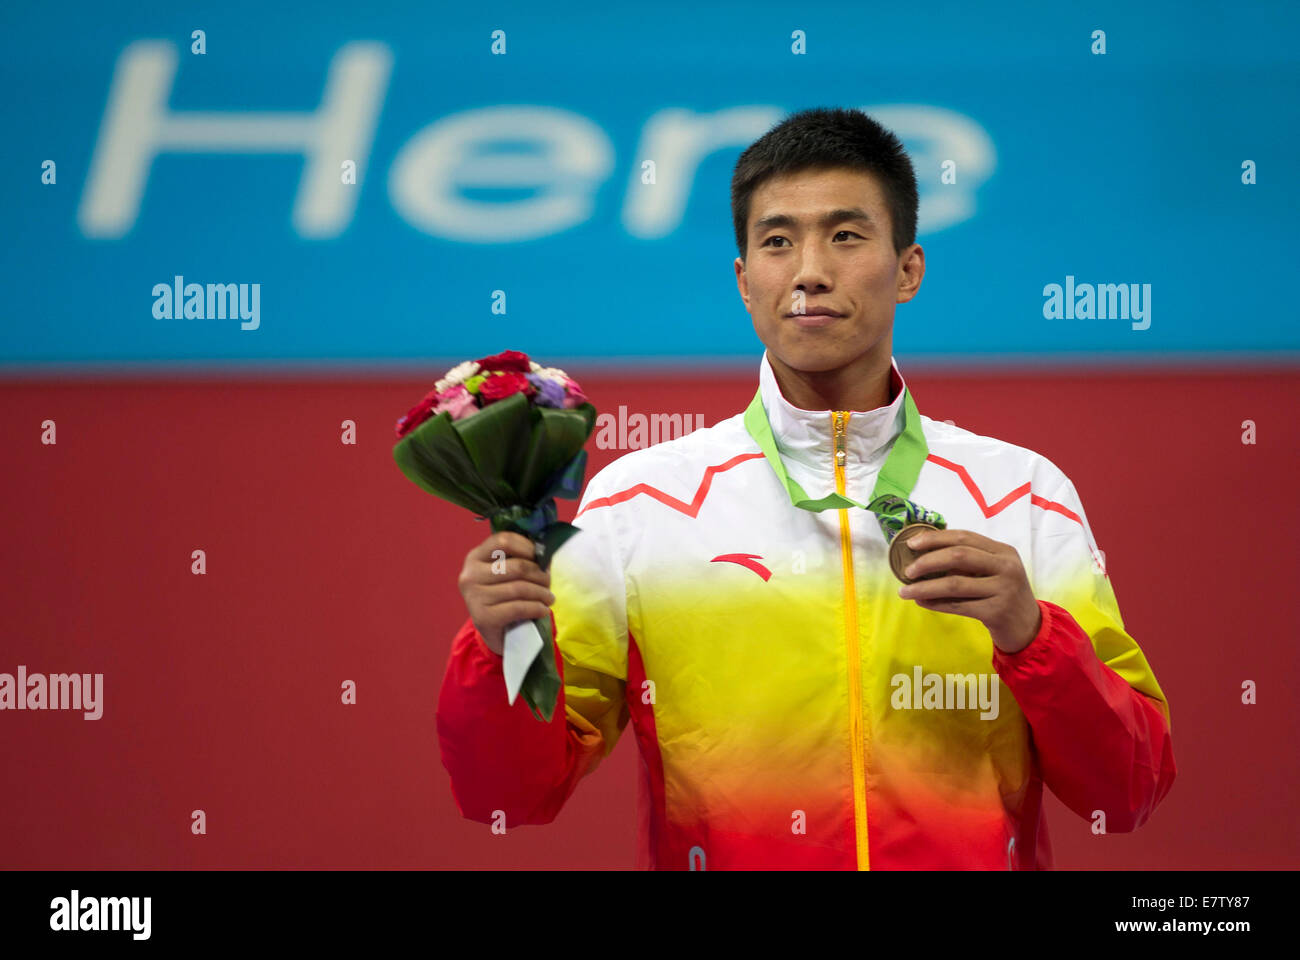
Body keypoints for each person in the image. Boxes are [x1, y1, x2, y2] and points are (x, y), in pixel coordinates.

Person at [437, 107, 1176, 870]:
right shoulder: (638, 507)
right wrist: (500, 649)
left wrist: (1033, 635)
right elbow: (512, 797)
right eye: (777, 241)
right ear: (744, 282)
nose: (809, 270)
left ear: (909, 269)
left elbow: (1126, 793)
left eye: (846, 235)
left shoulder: (1021, 494)